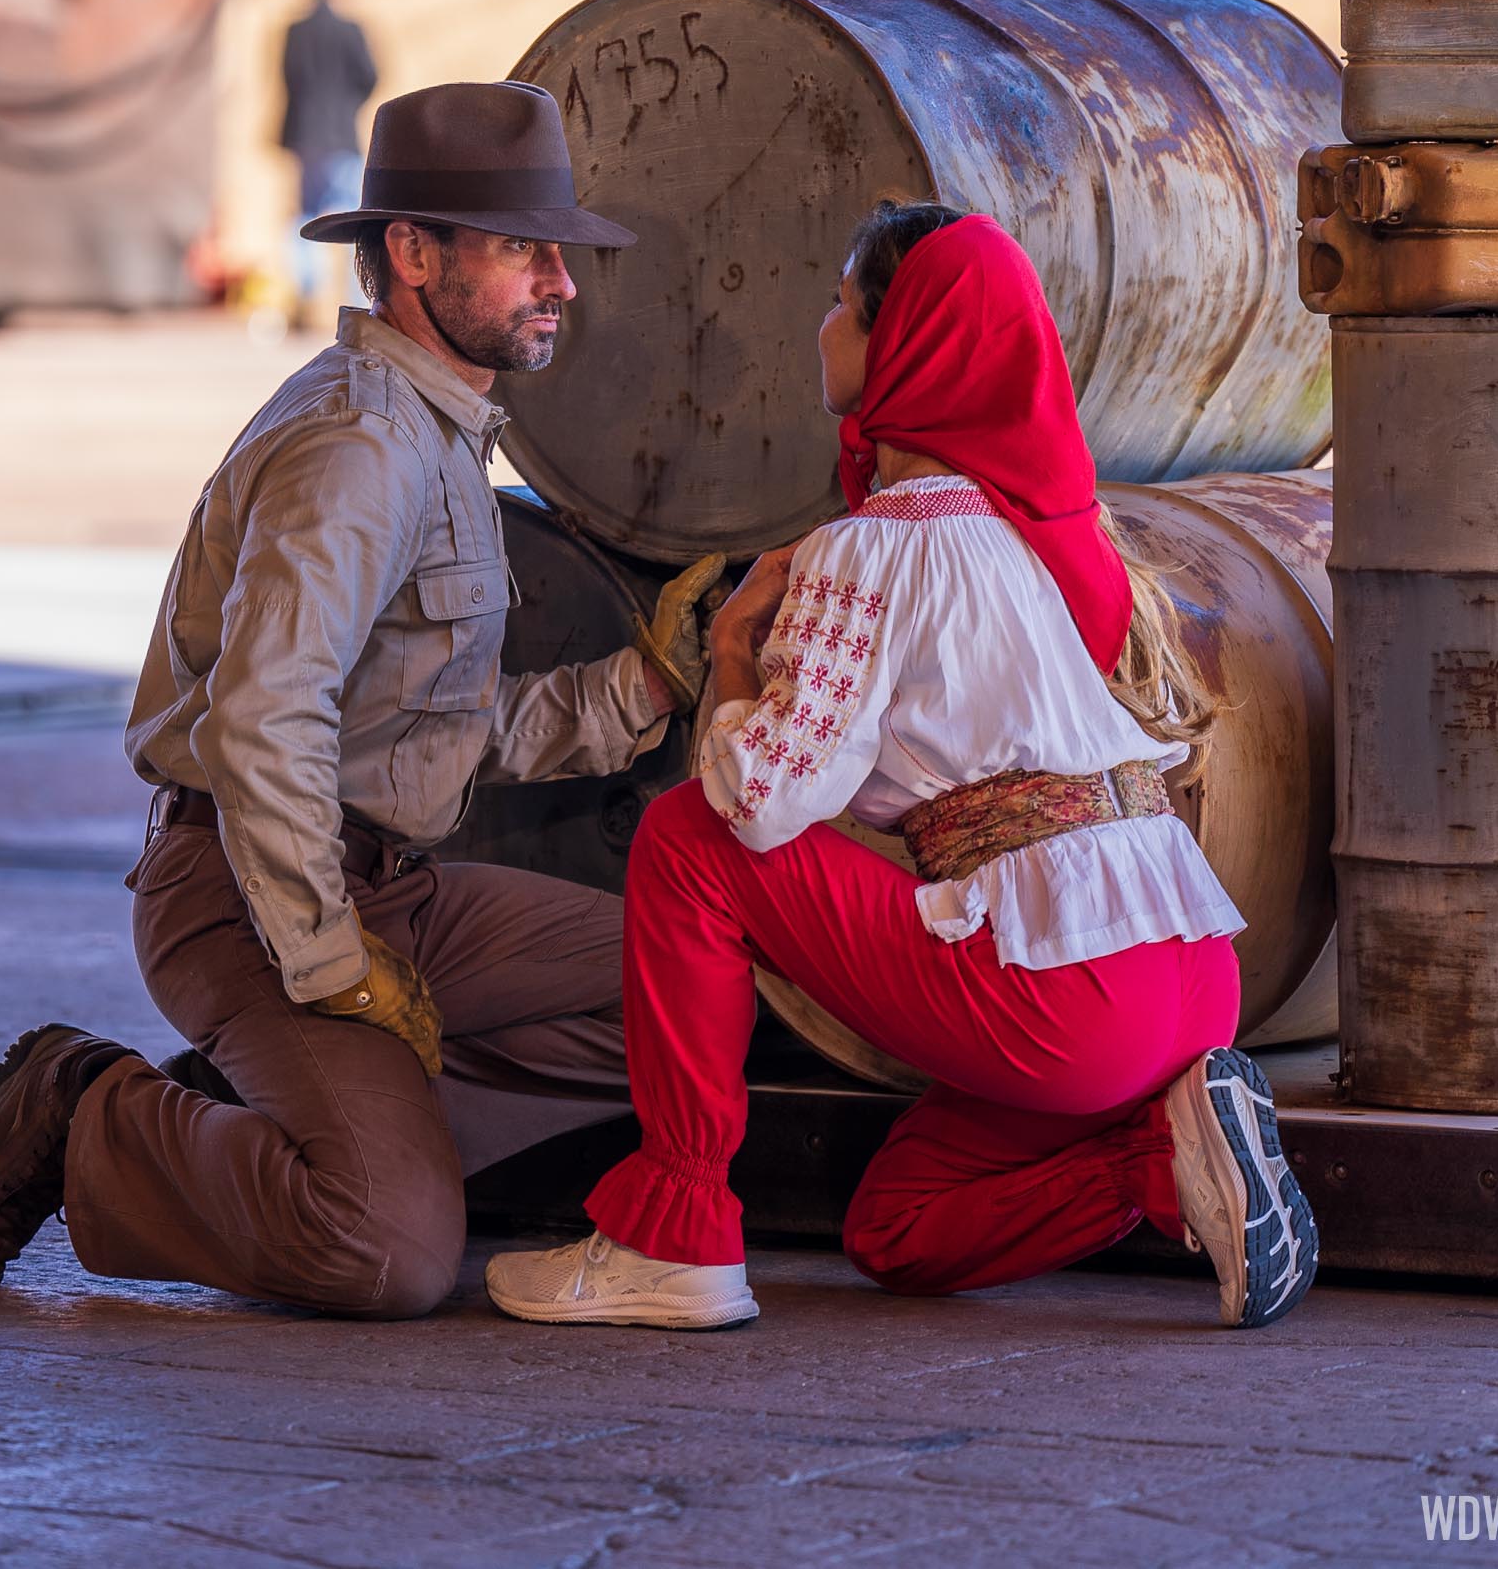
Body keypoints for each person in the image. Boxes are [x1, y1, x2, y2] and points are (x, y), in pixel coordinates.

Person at [0, 81, 724, 1320]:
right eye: (521, 249)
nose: (561, 281)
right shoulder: (360, 447)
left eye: (559, 252)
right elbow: (263, 723)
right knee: (384, 1254)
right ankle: (94, 1111)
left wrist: (647, 685)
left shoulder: (439, 431)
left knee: (687, 986)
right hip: (249, 894)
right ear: (413, 254)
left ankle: (282, 1119)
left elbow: (432, 731)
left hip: (394, 883)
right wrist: (332, 960)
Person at [486, 203, 1321, 1332]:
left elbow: (762, 803)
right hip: (1187, 976)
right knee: (898, 1228)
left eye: (843, 306)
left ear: (907, 345)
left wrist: (730, 650)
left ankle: (670, 1237)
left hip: (1068, 997)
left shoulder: (873, 549)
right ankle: (1167, 1163)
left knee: (687, 840)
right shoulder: (1030, 536)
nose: (820, 327)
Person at [278, 0, 375, 330]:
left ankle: (306, 299)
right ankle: (359, 304)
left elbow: (288, 79)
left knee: (304, 219)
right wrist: (346, 107)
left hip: (306, 136)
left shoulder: (296, 31)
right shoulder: (350, 30)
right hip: (341, 134)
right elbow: (369, 76)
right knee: (353, 221)